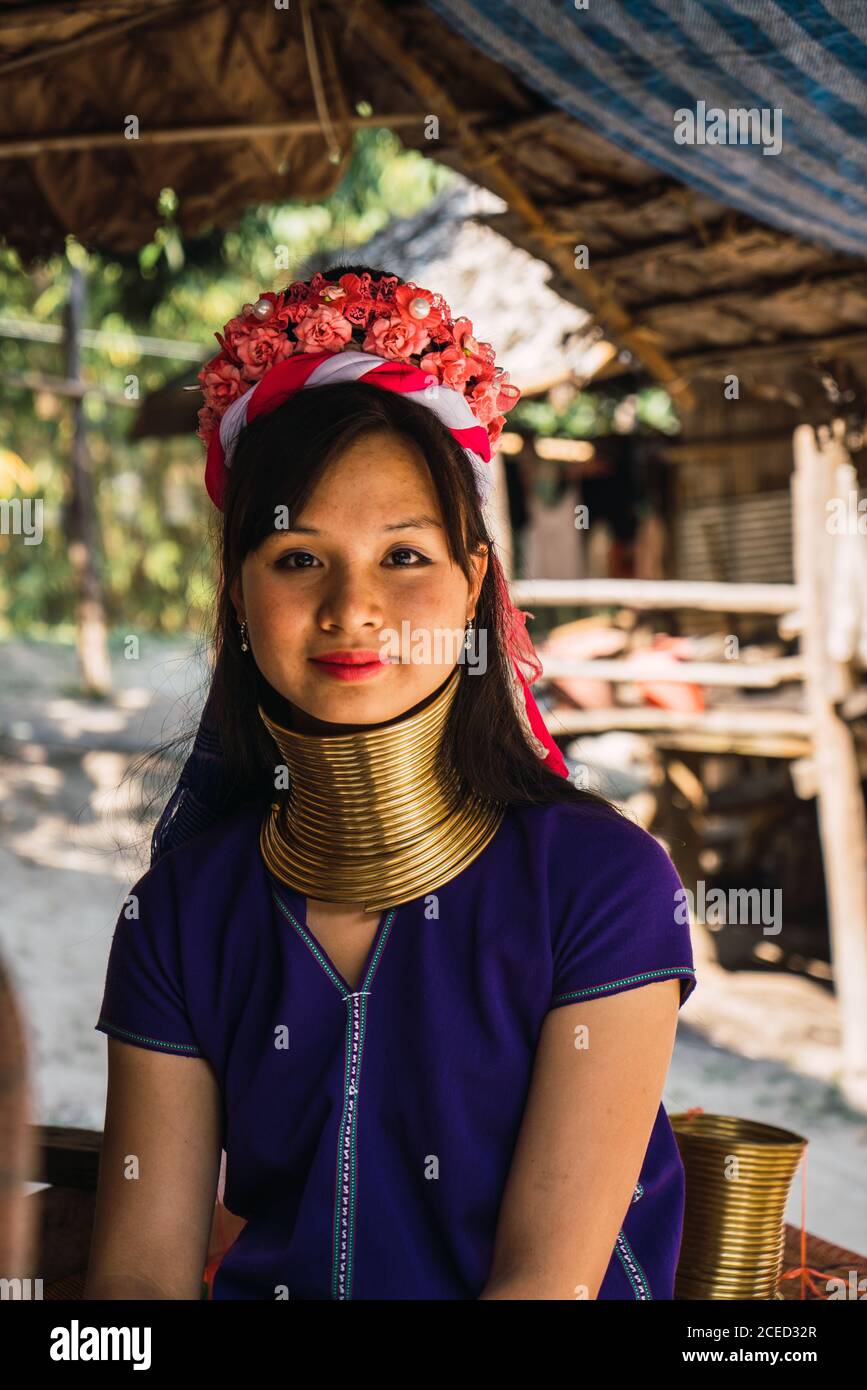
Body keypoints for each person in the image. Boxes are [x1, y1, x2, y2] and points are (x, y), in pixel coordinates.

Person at [85, 265, 697, 1301]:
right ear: (236, 597)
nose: (354, 608)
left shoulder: (604, 887)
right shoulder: (180, 917)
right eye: (296, 559)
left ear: (473, 591)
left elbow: (540, 1290)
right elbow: (139, 1287)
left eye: (404, 553)